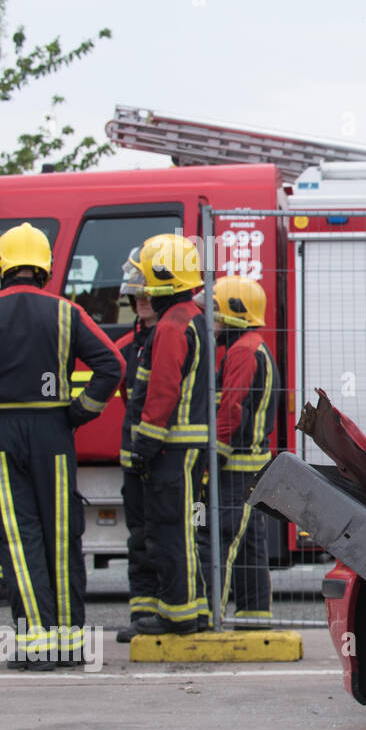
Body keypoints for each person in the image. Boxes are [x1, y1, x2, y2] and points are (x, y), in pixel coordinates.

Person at [0, 222, 124, 669]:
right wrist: (77, 411)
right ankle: (72, 644)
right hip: (53, 432)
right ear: (44, 267)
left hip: (2, 436)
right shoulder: (66, 311)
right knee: (61, 537)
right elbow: (112, 365)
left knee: (20, 539)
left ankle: (34, 645)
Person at [123, 233, 210, 636]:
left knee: (170, 531)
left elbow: (162, 390)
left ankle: (178, 615)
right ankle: (193, 611)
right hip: (185, 448)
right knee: (182, 531)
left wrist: (145, 442)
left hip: (172, 450)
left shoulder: (173, 326)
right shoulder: (192, 317)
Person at [204, 276, 279, 625]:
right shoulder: (253, 346)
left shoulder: (241, 352)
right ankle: (254, 615)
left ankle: (208, 615)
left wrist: (213, 454)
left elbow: (232, 408)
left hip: (237, 467)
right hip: (254, 465)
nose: (212, 321)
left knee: (219, 538)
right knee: (249, 543)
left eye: (216, 313)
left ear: (235, 312)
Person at [114, 252, 161, 643]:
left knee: (166, 537)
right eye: (137, 295)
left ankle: (166, 611)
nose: (142, 301)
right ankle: (141, 614)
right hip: (133, 458)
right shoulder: (126, 346)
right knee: (138, 538)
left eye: (148, 294)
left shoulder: (174, 338)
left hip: (163, 457)